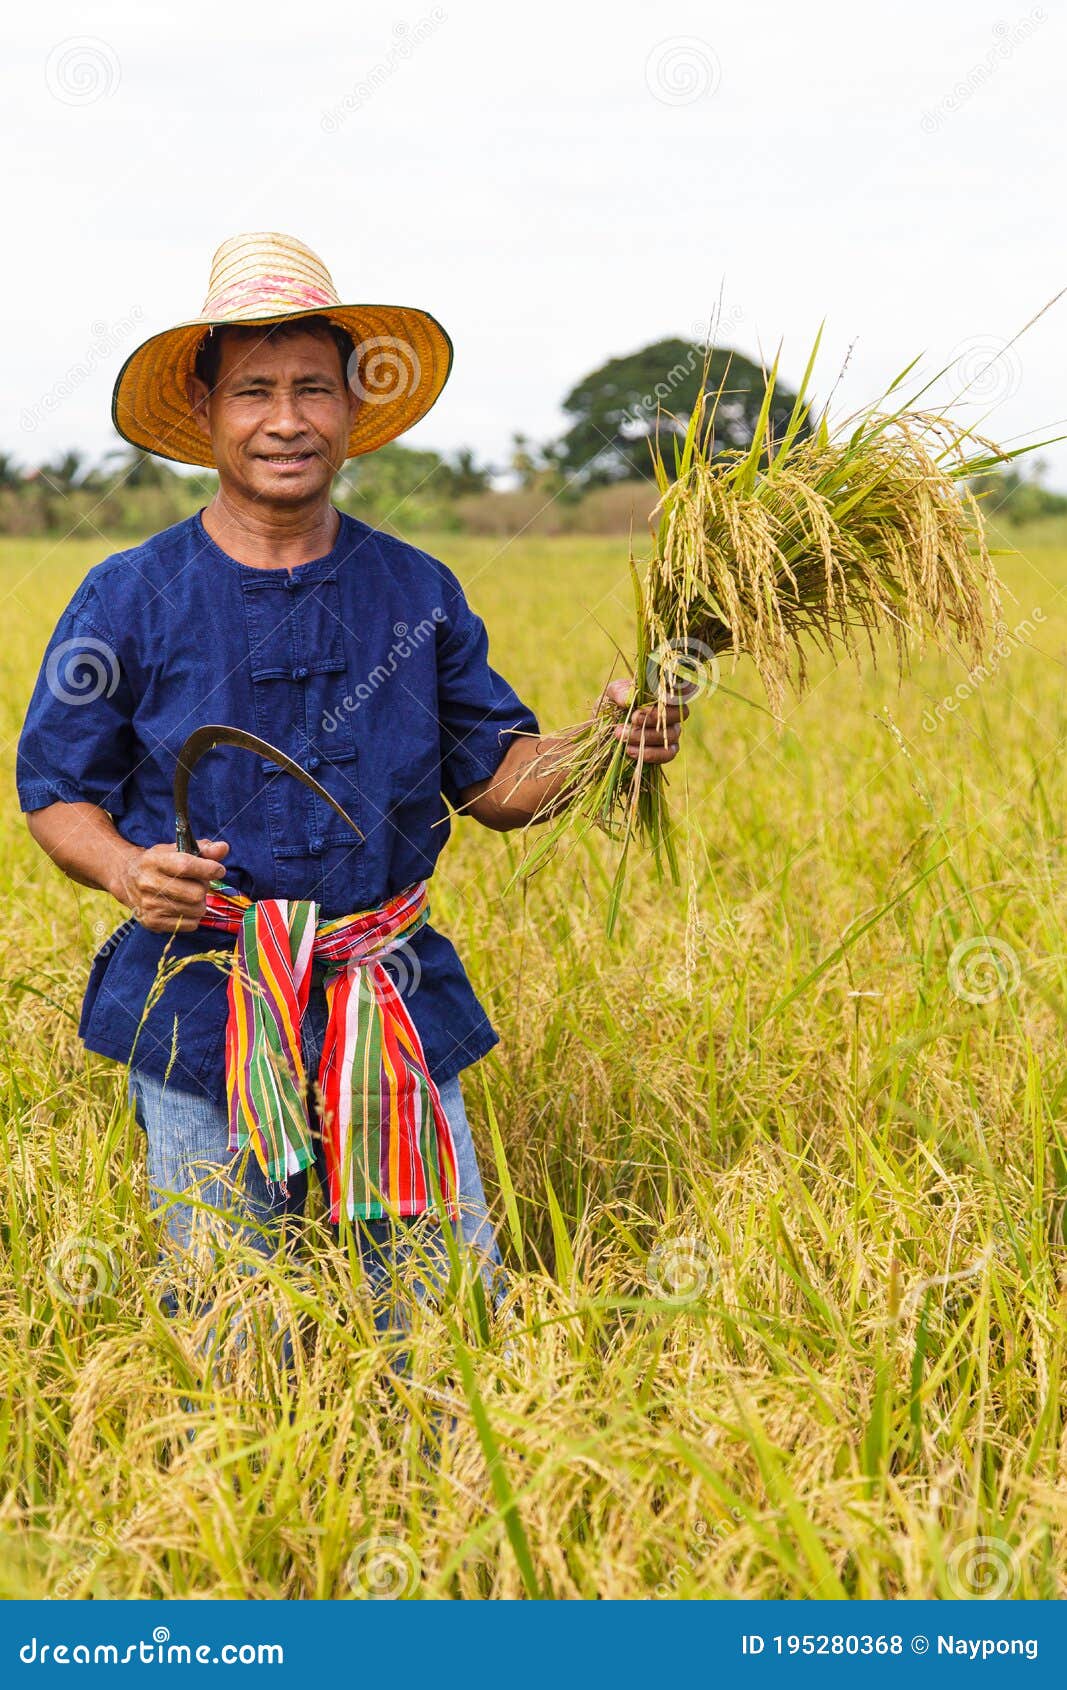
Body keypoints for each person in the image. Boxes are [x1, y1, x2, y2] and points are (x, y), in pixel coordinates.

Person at [16, 231, 687, 1334]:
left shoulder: (412, 589)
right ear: (208, 407)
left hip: (388, 997)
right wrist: (130, 868)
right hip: (204, 1001)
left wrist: (605, 743)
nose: (287, 419)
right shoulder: (127, 596)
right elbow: (54, 792)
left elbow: (499, 778)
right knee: (235, 1321)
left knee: (441, 1318)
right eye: (255, 391)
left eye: (314, 390)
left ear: (351, 409)